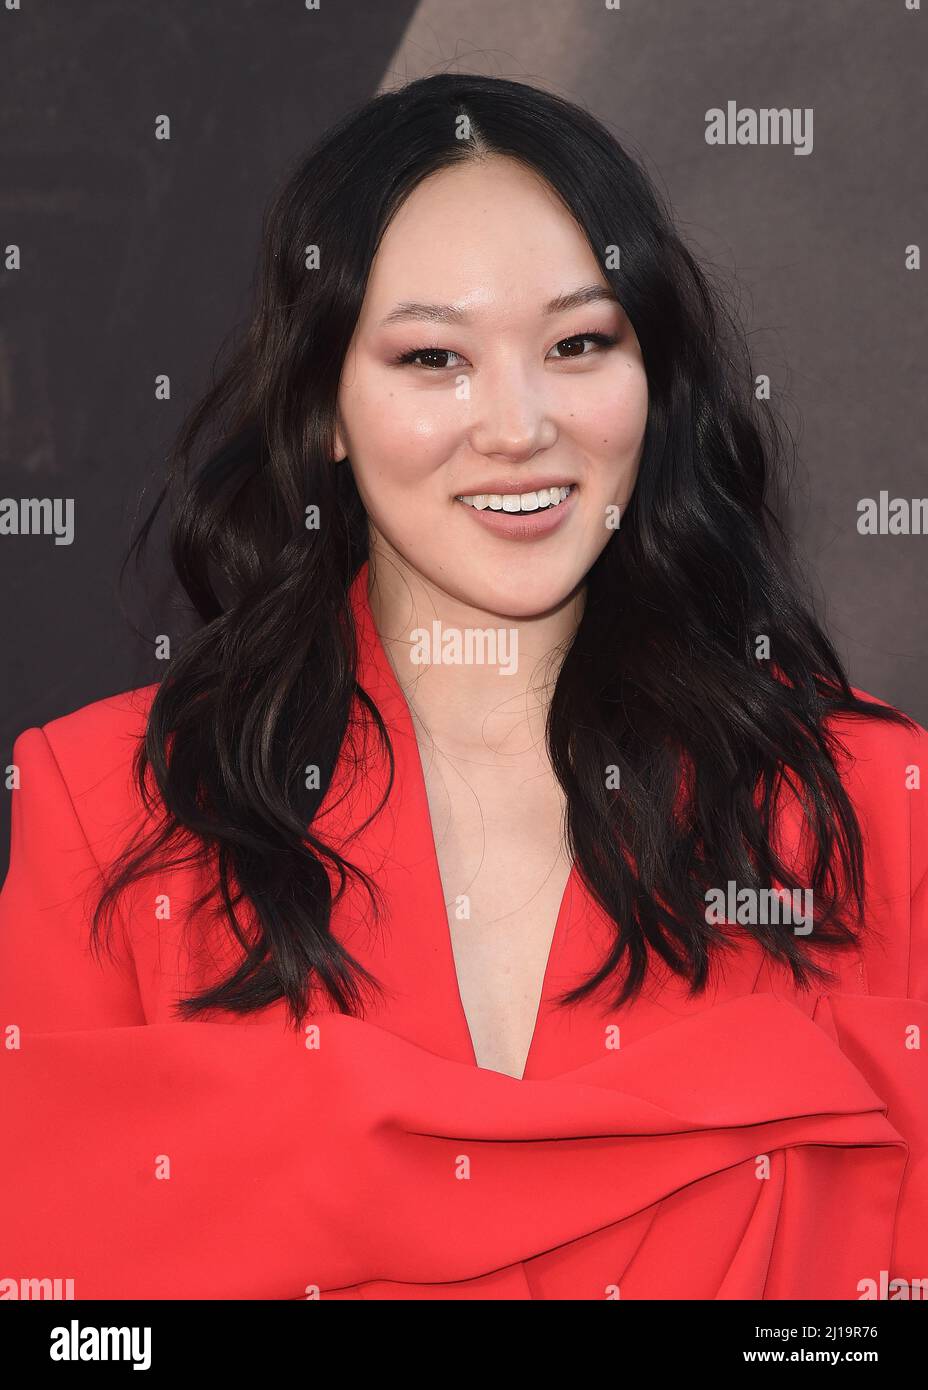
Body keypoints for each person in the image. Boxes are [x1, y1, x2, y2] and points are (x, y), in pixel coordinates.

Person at [1, 73, 925, 1302]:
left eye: (579, 343)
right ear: (325, 404)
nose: (518, 424)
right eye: (433, 356)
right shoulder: (113, 805)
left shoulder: (873, 805)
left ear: (656, 380)